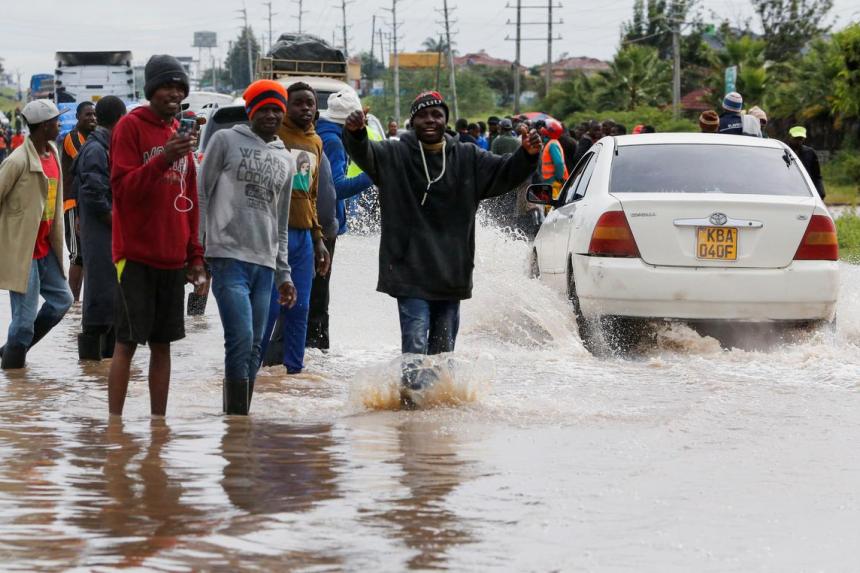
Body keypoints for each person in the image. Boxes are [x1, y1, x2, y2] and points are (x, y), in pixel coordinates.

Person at [342, 91, 542, 402]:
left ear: (445, 119)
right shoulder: (395, 156)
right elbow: (365, 153)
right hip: (410, 270)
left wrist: (527, 155)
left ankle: (433, 418)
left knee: (443, 352)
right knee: (415, 347)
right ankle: (410, 413)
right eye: (424, 115)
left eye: (437, 114)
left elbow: (505, 171)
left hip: (451, 272)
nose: (431, 120)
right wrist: (354, 133)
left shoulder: (467, 157)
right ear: (413, 120)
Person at [107, 54, 206, 417]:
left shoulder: (178, 136)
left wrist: (195, 256)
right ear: (151, 90)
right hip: (134, 255)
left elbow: (190, 201)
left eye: (180, 88)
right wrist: (163, 157)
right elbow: (122, 190)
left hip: (171, 258)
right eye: (167, 86)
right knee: (126, 343)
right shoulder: (129, 128)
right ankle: (114, 427)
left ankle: (158, 427)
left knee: (163, 345)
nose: (174, 94)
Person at [199, 79, 297, 415]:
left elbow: (280, 220)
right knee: (240, 338)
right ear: (251, 111)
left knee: (256, 344)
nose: (271, 115)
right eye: (264, 109)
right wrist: (199, 248)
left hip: (265, 263)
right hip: (227, 256)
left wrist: (284, 273)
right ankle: (236, 423)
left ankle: (238, 423)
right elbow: (202, 193)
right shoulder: (225, 140)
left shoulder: (286, 159)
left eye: (277, 110)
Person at [259, 82, 331, 374]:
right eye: (299, 103)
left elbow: (311, 195)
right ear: (286, 107)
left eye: (310, 104)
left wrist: (318, 238)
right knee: (271, 308)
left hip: (304, 236)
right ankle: (251, 371)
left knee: (300, 309)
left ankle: (294, 374)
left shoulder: (316, 142)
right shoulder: (275, 136)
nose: (306, 109)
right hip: (275, 233)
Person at [0, 100, 74, 370]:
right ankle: (14, 381)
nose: (59, 124)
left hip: (45, 247)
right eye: (56, 121)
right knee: (22, 321)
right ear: (44, 126)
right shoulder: (17, 160)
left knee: (62, 301)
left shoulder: (52, 152)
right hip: (24, 251)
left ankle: (11, 351)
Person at [311, 90, 374, 350]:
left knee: (313, 288)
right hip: (323, 226)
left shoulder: (319, 132)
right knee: (319, 292)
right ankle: (316, 348)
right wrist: (374, 173)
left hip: (312, 222)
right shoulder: (334, 141)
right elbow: (337, 187)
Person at [74, 96, 127, 361]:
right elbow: (95, 194)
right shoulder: (96, 149)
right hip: (101, 232)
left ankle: (99, 370)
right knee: (100, 294)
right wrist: (116, 221)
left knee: (111, 297)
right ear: (120, 118)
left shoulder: (104, 146)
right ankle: (92, 366)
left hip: (106, 232)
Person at [60, 101, 97, 303]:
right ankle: (72, 303)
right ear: (78, 117)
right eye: (88, 115)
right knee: (78, 255)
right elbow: (87, 161)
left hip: (88, 202)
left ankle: (79, 304)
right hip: (73, 203)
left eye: (94, 115)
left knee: (88, 255)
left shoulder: (93, 138)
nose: (92, 118)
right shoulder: (72, 138)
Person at [786, 126, 825, 199]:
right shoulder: (783, 151)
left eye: (800, 139)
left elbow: (816, 175)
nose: (798, 141)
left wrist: (821, 192)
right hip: (788, 190)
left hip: (806, 191)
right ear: (790, 137)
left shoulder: (810, 152)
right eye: (796, 138)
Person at [539, 119, 568, 201]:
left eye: (546, 128)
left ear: (550, 131)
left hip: (553, 182)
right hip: (550, 181)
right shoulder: (552, 143)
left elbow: (559, 163)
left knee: (550, 206)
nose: (543, 129)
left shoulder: (552, 144)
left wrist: (558, 179)